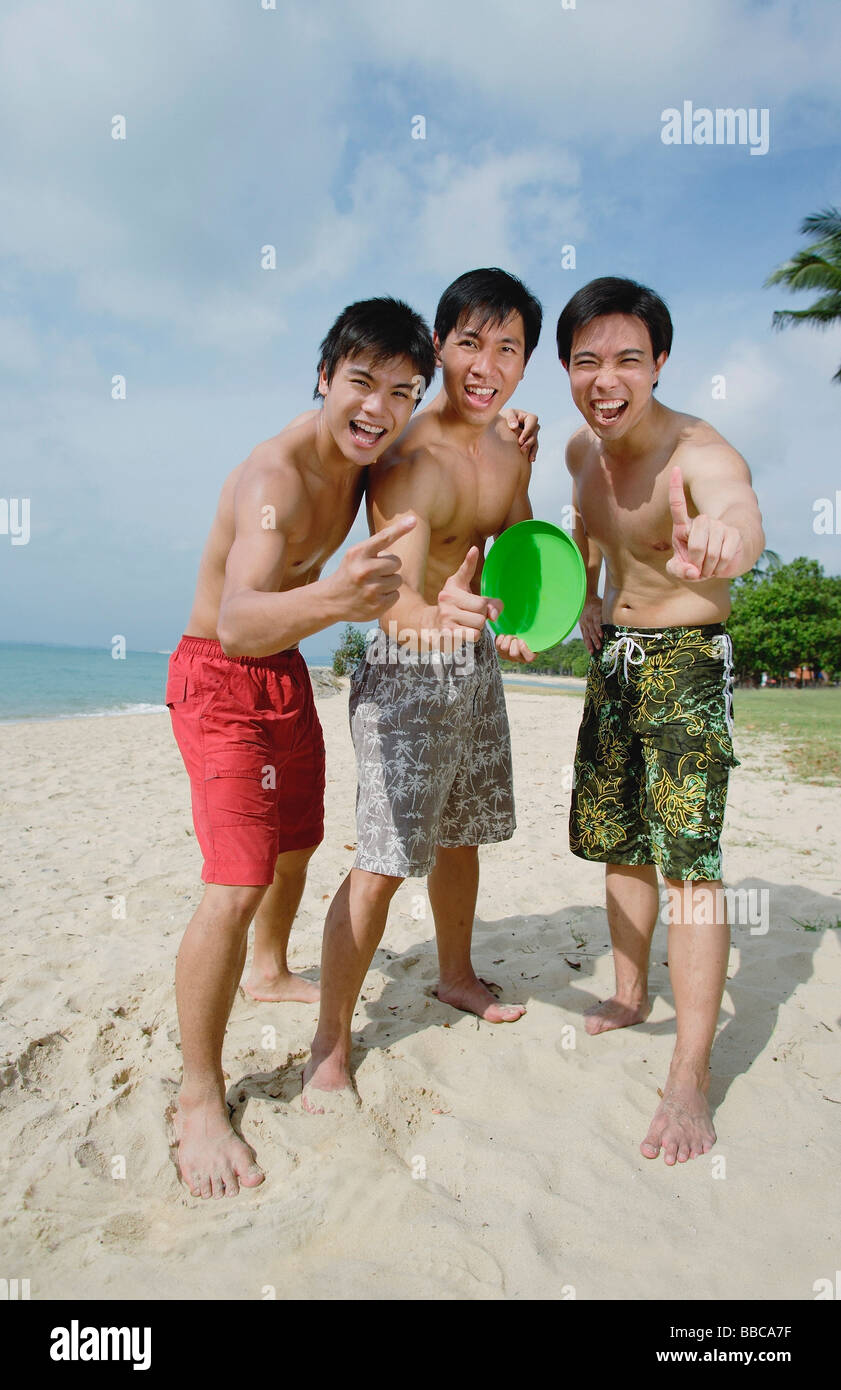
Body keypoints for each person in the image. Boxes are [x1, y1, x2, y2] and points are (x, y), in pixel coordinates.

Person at [166, 297, 437, 1197]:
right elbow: (240, 619)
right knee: (236, 880)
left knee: (298, 840)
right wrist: (335, 599)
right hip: (221, 672)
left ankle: (271, 970)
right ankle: (199, 1098)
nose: (378, 407)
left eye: (402, 392)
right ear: (323, 377)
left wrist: (508, 420)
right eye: (361, 382)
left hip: (280, 670)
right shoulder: (274, 478)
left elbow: (452, 427)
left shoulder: (373, 450)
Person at [303, 267, 544, 1112]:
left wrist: (517, 616)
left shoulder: (512, 445)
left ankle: (452, 976)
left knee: (462, 836)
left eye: (507, 347)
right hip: (408, 669)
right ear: (439, 346)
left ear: (524, 362)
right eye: (470, 342)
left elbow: (516, 547)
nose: (487, 363)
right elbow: (394, 596)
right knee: (382, 859)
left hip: (473, 663)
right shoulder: (404, 457)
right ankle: (330, 1046)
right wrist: (438, 618)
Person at [558, 276, 765, 1165]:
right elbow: (585, 523)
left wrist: (726, 542)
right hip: (614, 663)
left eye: (627, 360)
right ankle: (630, 989)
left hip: (685, 665)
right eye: (586, 360)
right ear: (568, 369)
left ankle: (688, 1075)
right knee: (619, 839)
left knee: (691, 865)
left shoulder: (700, 453)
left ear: (660, 364)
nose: (607, 379)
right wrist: (593, 595)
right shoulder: (577, 450)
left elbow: (739, 515)